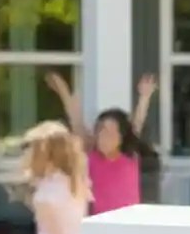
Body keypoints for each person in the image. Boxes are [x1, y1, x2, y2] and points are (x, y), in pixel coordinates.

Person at [45, 72, 156, 215]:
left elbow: (137, 122)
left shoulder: (129, 155)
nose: (104, 136)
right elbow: (76, 121)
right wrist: (63, 91)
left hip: (129, 223)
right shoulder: (92, 155)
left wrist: (144, 97)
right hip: (100, 224)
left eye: (110, 132)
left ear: (121, 136)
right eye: (101, 130)